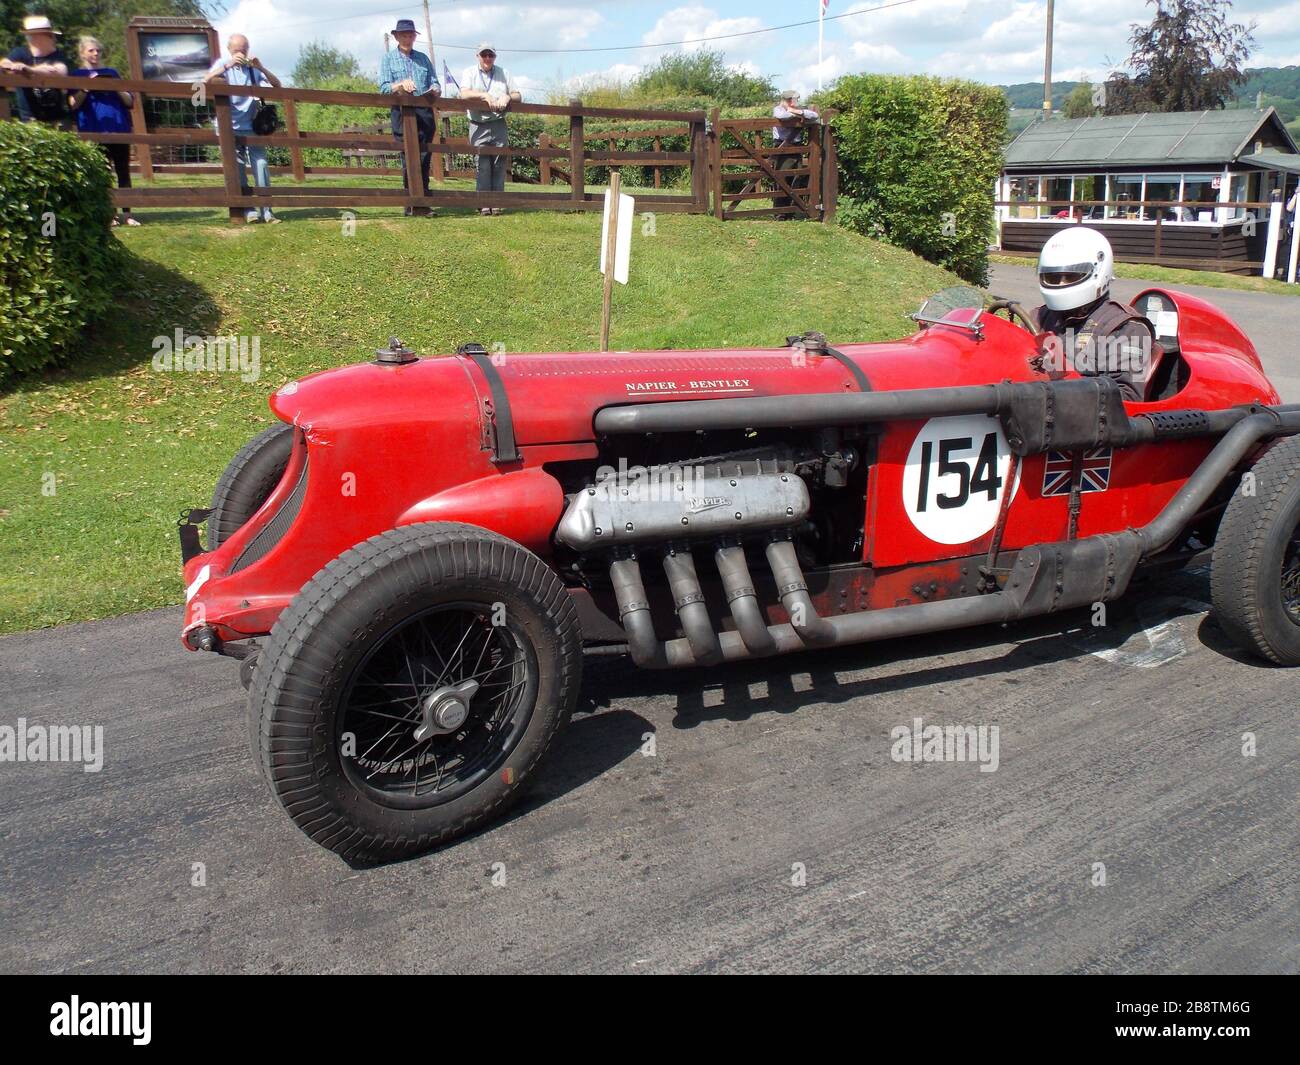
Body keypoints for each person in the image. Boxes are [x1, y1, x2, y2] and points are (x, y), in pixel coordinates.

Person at [1030, 228, 1154, 401]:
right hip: (1028, 411)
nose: (1061, 284)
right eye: (1053, 277)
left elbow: (1125, 399)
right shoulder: (1038, 317)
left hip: (1080, 422)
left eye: (1070, 276)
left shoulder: (1124, 327)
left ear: (1099, 272)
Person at [204, 35, 281, 224]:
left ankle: (267, 211)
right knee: (237, 170)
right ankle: (248, 210)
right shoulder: (223, 63)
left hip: (253, 127)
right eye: (237, 49)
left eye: (244, 49)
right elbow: (203, 82)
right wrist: (227, 66)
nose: (241, 53)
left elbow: (277, 86)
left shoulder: (253, 69)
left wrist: (260, 67)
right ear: (229, 49)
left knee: (261, 166)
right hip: (228, 127)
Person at [69, 37, 138, 226]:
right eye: (91, 50)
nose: (95, 54)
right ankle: (110, 214)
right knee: (103, 173)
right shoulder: (77, 74)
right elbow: (72, 104)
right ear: (82, 53)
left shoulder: (112, 72)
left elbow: (129, 101)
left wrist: (114, 87)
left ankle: (128, 214)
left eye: (98, 50)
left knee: (124, 172)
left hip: (119, 128)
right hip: (94, 130)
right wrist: (86, 87)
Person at [379, 18, 439, 213]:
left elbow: (435, 82)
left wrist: (434, 90)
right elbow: (384, 87)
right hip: (402, 111)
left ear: (414, 36)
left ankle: (424, 201)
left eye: (410, 35)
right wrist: (401, 84)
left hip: (424, 111)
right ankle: (410, 202)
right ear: (396, 37)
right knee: (408, 156)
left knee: (424, 155)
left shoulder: (423, 58)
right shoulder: (387, 59)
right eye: (403, 35)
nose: (407, 38)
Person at [457, 43, 519, 215]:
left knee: (499, 163)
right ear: (477, 56)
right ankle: (484, 203)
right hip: (478, 124)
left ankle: (497, 202)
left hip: (498, 123)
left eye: (490, 55)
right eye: (484, 55)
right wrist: (483, 95)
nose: (487, 58)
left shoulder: (503, 73)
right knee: (482, 164)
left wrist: (507, 97)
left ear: (494, 57)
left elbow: (518, 95)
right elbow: (464, 94)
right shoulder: (469, 72)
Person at [2, 15, 69, 125]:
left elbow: (61, 71)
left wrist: (29, 70)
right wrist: (12, 67)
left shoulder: (57, 55)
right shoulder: (20, 52)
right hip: (29, 122)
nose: (54, 38)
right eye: (50, 35)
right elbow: (4, 64)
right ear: (38, 37)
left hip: (57, 121)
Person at [771, 89, 819, 220]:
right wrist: (796, 114)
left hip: (796, 147)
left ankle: (791, 211)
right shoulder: (778, 109)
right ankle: (780, 213)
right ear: (787, 100)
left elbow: (814, 116)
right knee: (782, 179)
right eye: (792, 100)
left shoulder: (797, 109)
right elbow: (782, 117)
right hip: (782, 147)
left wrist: (797, 111)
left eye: (795, 100)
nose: (795, 102)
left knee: (795, 178)